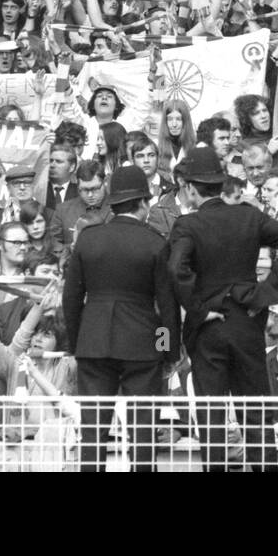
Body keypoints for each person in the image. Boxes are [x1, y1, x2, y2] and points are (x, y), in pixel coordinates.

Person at [167, 145, 278, 472]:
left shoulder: (187, 225)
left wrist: (199, 308)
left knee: (212, 414)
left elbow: (176, 270)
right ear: (219, 185)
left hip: (209, 326)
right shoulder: (248, 216)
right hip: (246, 318)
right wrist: (267, 290)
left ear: (190, 188)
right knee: (255, 410)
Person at [62, 165, 180, 473]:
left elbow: (71, 299)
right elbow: (167, 308)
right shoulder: (156, 243)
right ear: (143, 204)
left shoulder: (88, 239)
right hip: (143, 345)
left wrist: (77, 344)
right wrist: (168, 350)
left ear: (113, 203)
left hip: (94, 342)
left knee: (93, 432)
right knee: (143, 434)